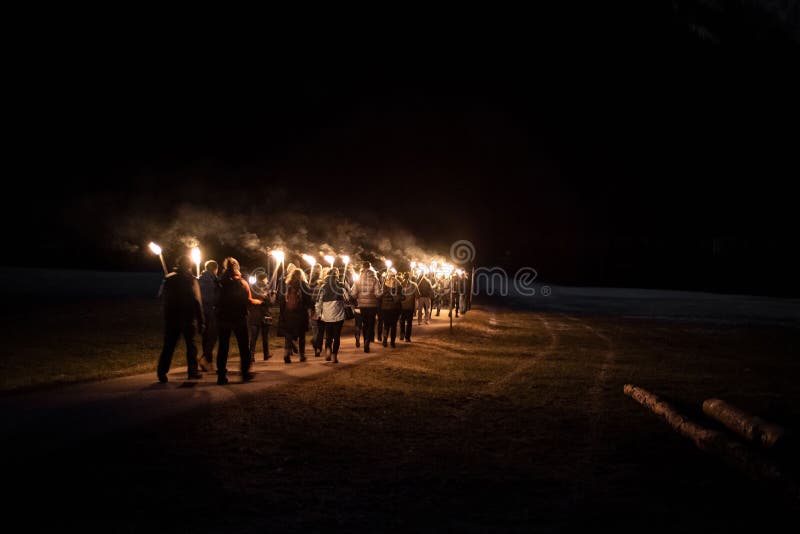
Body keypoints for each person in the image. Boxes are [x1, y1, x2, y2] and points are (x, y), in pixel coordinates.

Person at [156, 255, 205, 383]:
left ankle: (162, 372)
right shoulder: (190, 279)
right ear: (189, 265)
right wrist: (201, 321)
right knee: (191, 346)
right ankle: (192, 372)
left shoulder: (169, 278)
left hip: (172, 318)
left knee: (169, 346)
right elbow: (197, 301)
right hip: (187, 318)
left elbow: (161, 296)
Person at [216, 257, 263, 385]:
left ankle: (221, 375)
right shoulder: (242, 283)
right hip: (239, 318)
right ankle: (245, 373)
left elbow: (216, 299)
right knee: (243, 347)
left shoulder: (220, 282)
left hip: (224, 318)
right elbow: (248, 300)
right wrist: (258, 301)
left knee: (223, 347)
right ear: (237, 267)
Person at [277, 268, 313, 363]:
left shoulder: (287, 285)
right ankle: (302, 355)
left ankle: (286, 354)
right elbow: (309, 300)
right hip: (301, 313)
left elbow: (281, 299)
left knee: (288, 335)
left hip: (288, 313)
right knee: (302, 335)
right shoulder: (304, 285)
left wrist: (283, 312)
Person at [316, 268, 346, 363]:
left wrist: (318, 313)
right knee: (336, 336)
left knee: (328, 335)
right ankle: (334, 355)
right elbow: (347, 298)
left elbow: (319, 301)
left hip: (327, 315)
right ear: (337, 275)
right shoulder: (340, 286)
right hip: (339, 315)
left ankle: (328, 349)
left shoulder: (323, 287)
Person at [350, 261, 380, 353]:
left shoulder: (358, 279)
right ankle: (368, 340)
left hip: (362, 305)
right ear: (370, 267)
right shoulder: (375, 279)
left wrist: (355, 297)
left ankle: (364, 339)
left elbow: (354, 294)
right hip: (372, 305)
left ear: (362, 267)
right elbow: (378, 294)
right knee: (371, 324)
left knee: (364, 324)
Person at [198, 260, 220, 372]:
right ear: (215, 269)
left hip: (201, 312)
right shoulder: (214, 280)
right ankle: (205, 358)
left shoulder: (198, 279)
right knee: (213, 337)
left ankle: (209, 363)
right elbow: (214, 297)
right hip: (211, 311)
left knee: (205, 337)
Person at [248, 272, 275, 362]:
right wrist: (273, 295)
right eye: (266, 278)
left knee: (253, 337)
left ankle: (251, 355)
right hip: (264, 315)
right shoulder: (266, 289)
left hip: (254, 315)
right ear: (263, 279)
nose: (267, 280)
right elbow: (270, 303)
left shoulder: (251, 288)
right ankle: (266, 354)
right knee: (265, 336)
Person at [377, 271, 402, 348]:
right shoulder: (399, 285)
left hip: (385, 309)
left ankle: (385, 340)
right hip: (395, 309)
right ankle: (392, 342)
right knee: (393, 326)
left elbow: (380, 297)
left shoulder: (385, 285)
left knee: (386, 325)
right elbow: (400, 297)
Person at [399, 273, 420, 342]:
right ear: (409, 277)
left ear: (403, 277)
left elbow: (396, 294)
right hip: (410, 306)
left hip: (401, 306)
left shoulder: (400, 284)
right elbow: (417, 296)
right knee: (409, 323)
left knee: (402, 321)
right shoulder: (414, 285)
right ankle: (407, 337)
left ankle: (402, 333)